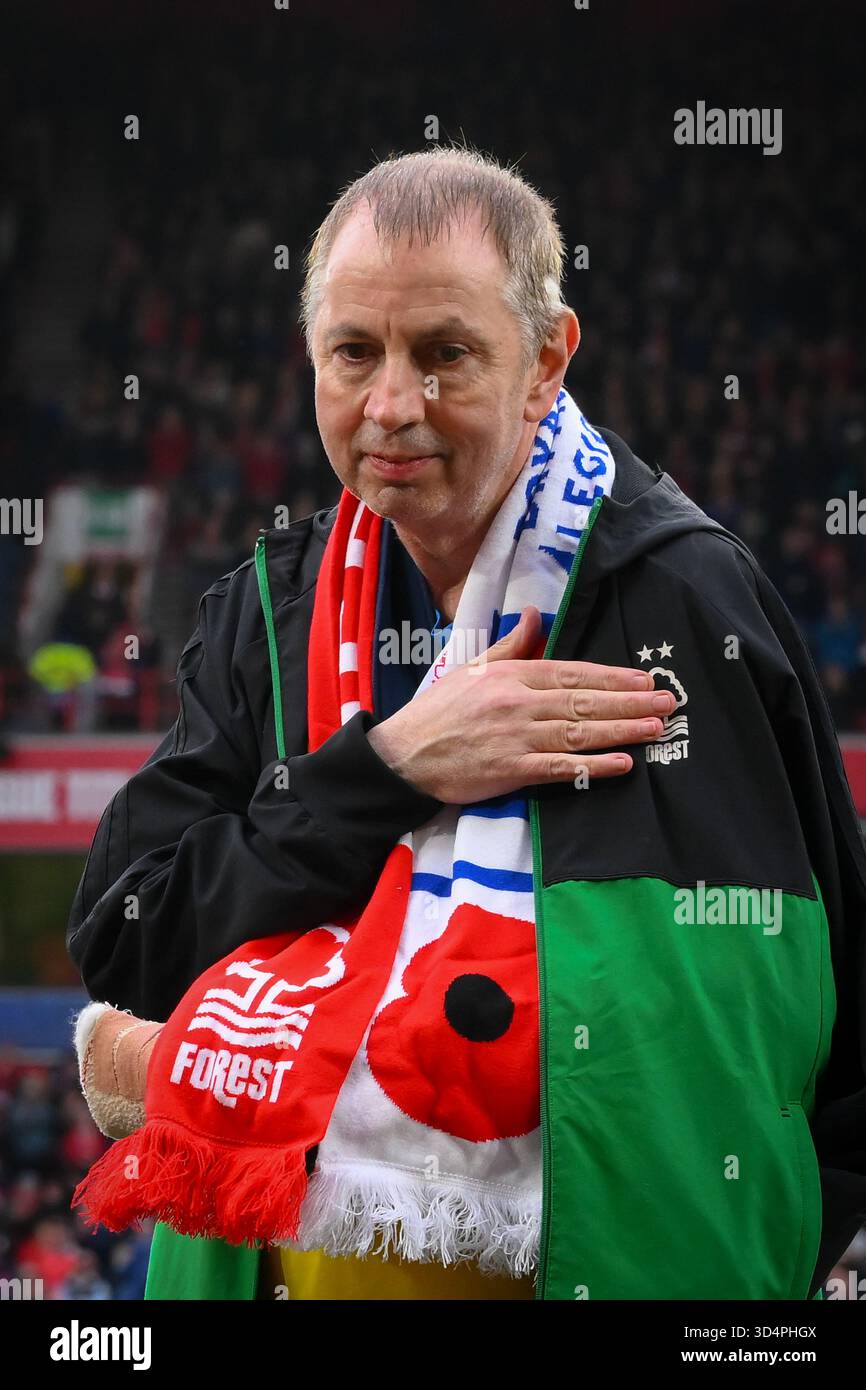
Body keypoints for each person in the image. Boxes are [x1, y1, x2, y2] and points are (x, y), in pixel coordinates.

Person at [67, 146, 866, 1302]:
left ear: (547, 358)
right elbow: (130, 929)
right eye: (354, 353)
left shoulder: (689, 600)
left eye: (444, 353)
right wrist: (387, 767)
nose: (391, 407)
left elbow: (820, 1008)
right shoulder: (263, 611)